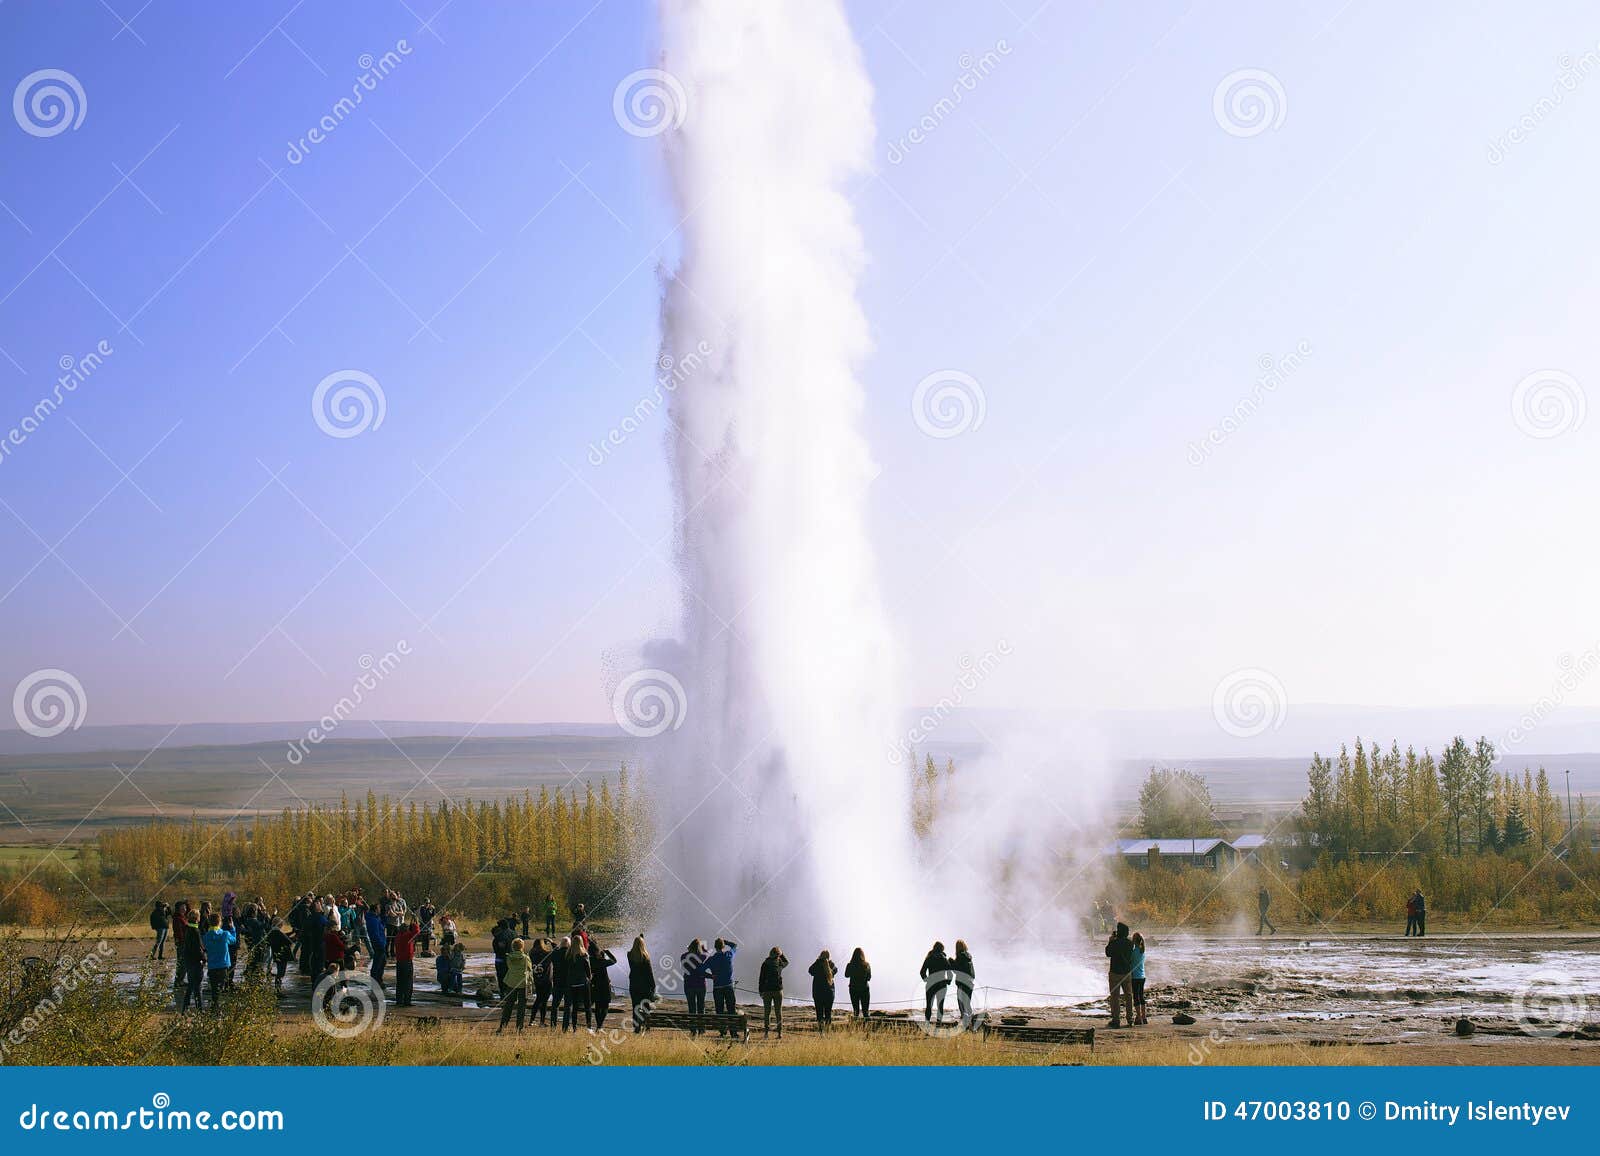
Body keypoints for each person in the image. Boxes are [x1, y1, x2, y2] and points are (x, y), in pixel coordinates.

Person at [201, 913, 237, 1012]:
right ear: (219, 922)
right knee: (221, 986)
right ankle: (217, 1006)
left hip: (212, 965)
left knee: (214, 987)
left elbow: (204, 946)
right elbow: (234, 941)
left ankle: (215, 1004)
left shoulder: (207, 936)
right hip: (223, 964)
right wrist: (233, 929)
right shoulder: (225, 934)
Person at [175, 900, 206, 1012]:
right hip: (195, 961)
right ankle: (200, 1008)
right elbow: (197, 948)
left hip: (189, 960)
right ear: (197, 918)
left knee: (191, 984)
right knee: (197, 986)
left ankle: (185, 1007)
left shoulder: (188, 928)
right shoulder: (195, 930)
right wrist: (204, 958)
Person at [1105, 922, 1136, 1028]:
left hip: (1115, 972)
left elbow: (1108, 953)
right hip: (1127, 972)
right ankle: (1130, 1019)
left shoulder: (1114, 942)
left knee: (1115, 997)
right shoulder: (1130, 943)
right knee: (1128, 996)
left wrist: (1110, 941)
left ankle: (1116, 1020)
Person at [498, 938, 532, 1033]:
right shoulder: (526, 958)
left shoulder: (509, 957)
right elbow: (529, 971)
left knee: (508, 1005)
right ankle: (519, 1028)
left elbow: (509, 966)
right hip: (522, 983)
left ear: (513, 947)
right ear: (522, 947)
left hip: (511, 982)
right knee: (521, 1006)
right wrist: (531, 984)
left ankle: (502, 1026)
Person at [562, 935, 593, 1032]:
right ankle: (589, 1027)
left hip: (572, 984)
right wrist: (590, 977)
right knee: (587, 1005)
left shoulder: (568, 955)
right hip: (583, 983)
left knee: (575, 1006)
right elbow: (588, 970)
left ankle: (574, 1027)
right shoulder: (584, 955)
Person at [708, 936, 738, 1035]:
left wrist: (710, 976)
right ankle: (733, 1033)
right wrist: (726, 941)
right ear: (723, 946)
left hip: (717, 988)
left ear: (715, 947)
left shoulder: (711, 959)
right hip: (728, 986)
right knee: (731, 1010)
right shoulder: (728, 954)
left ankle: (722, 1032)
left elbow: (700, 970)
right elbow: (735, 946)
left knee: (719, 1010)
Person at [681, 938, 711, 1037]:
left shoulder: (683, 956)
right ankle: (701, 1029)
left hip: (688, 985)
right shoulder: (702, 956)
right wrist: (703, 949)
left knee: (691, 1008)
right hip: (700, 985)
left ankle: (693, 1030)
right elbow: (707, 955)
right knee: (701, 1007)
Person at [627, 936, 656, 1032]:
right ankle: (647, 1026)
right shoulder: (645, 957)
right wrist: (653, 986)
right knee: (646, 1006)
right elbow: (649, 973)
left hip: (634, 984)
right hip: (645, 986)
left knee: (635, 1006)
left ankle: (636, 1026)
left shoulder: (629, 955)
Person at [758, 947, 788, 1038]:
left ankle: (766, 1033)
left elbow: (761, 978)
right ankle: (780, 1033)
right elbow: (787, 962)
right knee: (778, 1012)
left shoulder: (765, 964)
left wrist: (760, 990)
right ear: (778, 955)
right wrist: (782, 954)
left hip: (767, 990)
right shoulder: (779, 963)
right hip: (778, 990)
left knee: (767, 1012)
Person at [589, 938, 618, 1030]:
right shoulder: (601, 961)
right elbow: (614, 960)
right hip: (604, 985)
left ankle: (599, 1025)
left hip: (594, 985)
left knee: (598, 1006)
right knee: (605, 1005)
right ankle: (599, 1026)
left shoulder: (590, 960)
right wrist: (607, 952)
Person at [919, 940, 951, 1024]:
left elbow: (922, 971)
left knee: (929, 1006)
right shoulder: (943, 958)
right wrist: (948, 981)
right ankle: (938, 1024)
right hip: (942, 985)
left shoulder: (929, 957)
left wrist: (926, 980)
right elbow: (949, 972)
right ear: (941, 949)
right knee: (940, 1005)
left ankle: (927, 1023)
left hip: (931, 984)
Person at [392, 916, 420, 1007]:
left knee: (400, 982)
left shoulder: (398, 936)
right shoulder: (406, 936)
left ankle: (399, 1000)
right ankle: (407, 1001)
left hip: (399, 962)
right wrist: (415, 923)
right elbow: (417, 932)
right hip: (407, 962)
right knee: (408, 982)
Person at [808, 949, 837, 1030]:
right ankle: (828, 1030)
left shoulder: (817, 964)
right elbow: (835, 971)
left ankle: (821, 1032)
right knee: (828, 1013)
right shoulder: (831, 964)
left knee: (819, 1013)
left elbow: (810, 970)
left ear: (820, 956)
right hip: (829, 993)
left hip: (818, 993)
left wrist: (817, 961)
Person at [266, 917, 295, 995]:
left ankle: (277, 989)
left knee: (279, 971)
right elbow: (289, 942)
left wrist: (291, 933)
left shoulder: (272, 932)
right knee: (281, 973)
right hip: (283, 955)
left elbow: (268, 942)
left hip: (276, 954)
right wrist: (294, 937)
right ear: (280, 924)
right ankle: (278, 990)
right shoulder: (279, 933)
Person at [531, 937, 557, 1025]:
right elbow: (557, 950)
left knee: (538, 1000)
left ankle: (532, 1019)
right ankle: (542, 1021)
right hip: (547, 981)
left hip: (537, 980)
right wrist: (552, 942)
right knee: (544, 1001)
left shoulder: (531, 954)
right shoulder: (547, 955)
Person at [951, 939, 976, 1025]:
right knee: (967, 1003)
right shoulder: (968, 956)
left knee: (961, 1003)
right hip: (970, 982)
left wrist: (951, 962)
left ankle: (965, 1024)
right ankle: (971, 1023)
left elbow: (956, 970)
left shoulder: (960, 957)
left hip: (962, 983)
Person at [364, 902, 389, 987]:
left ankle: (379, 979)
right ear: (375, 910)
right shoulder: (372, 920)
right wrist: (381, 944)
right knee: (378, 963)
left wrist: (385, 916)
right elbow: (375, 934)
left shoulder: (376, 918)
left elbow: (382, 926)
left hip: (381, 943)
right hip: (378, 944)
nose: (380, 910)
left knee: (382, 961)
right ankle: (375, 981)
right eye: (379, 908)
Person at [844, 947, 871, 1021]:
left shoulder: (850, 965)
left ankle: (855, 1027)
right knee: (865, 1011)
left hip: (853, 989)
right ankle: (867, 1028)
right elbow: (869, 978)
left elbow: (846, 975)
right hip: (864, 989)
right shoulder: (866, 965)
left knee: (856, 1011)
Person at [1129, 931, 1148, 1025]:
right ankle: (1144, 1016)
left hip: (1135, 977)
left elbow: (1129, 961)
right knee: (1141, 996)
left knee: (1136, 997)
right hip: (1142, 976)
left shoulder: (1134, 952)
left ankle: (1139, 1017)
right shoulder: (1142, 951)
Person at [491, 917, 514, 995]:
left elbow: (499, 948)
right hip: (513, 958)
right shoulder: (514, 933)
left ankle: (503, 992)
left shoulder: (500, 936)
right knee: (511, 975)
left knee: (501, 976)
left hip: (501, 958)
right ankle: (510, 991)